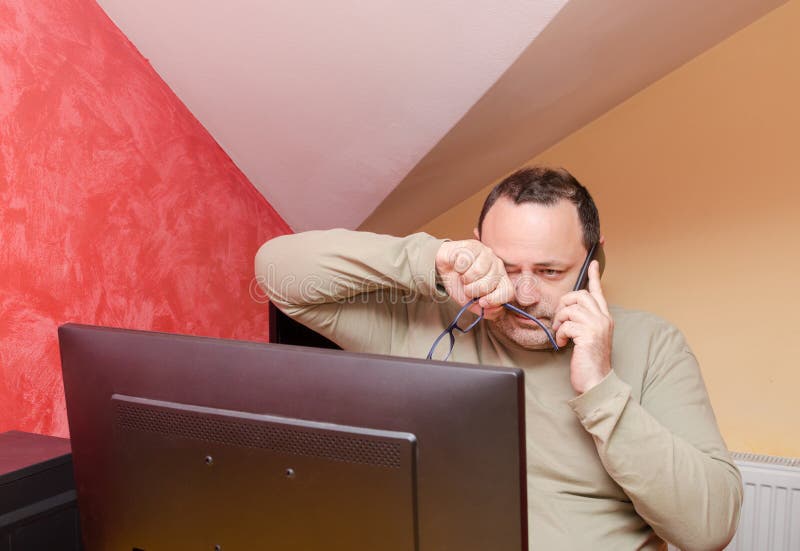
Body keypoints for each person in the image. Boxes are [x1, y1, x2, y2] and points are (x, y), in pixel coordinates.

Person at [254, 166, 742, 550]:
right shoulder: (425, 319)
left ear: (596, 262)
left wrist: (602, 387)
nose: (524, 293)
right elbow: (278, 274)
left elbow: (708, 529)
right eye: (507, 267)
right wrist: (435, 260)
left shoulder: (654, 344)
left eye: (550, 271)